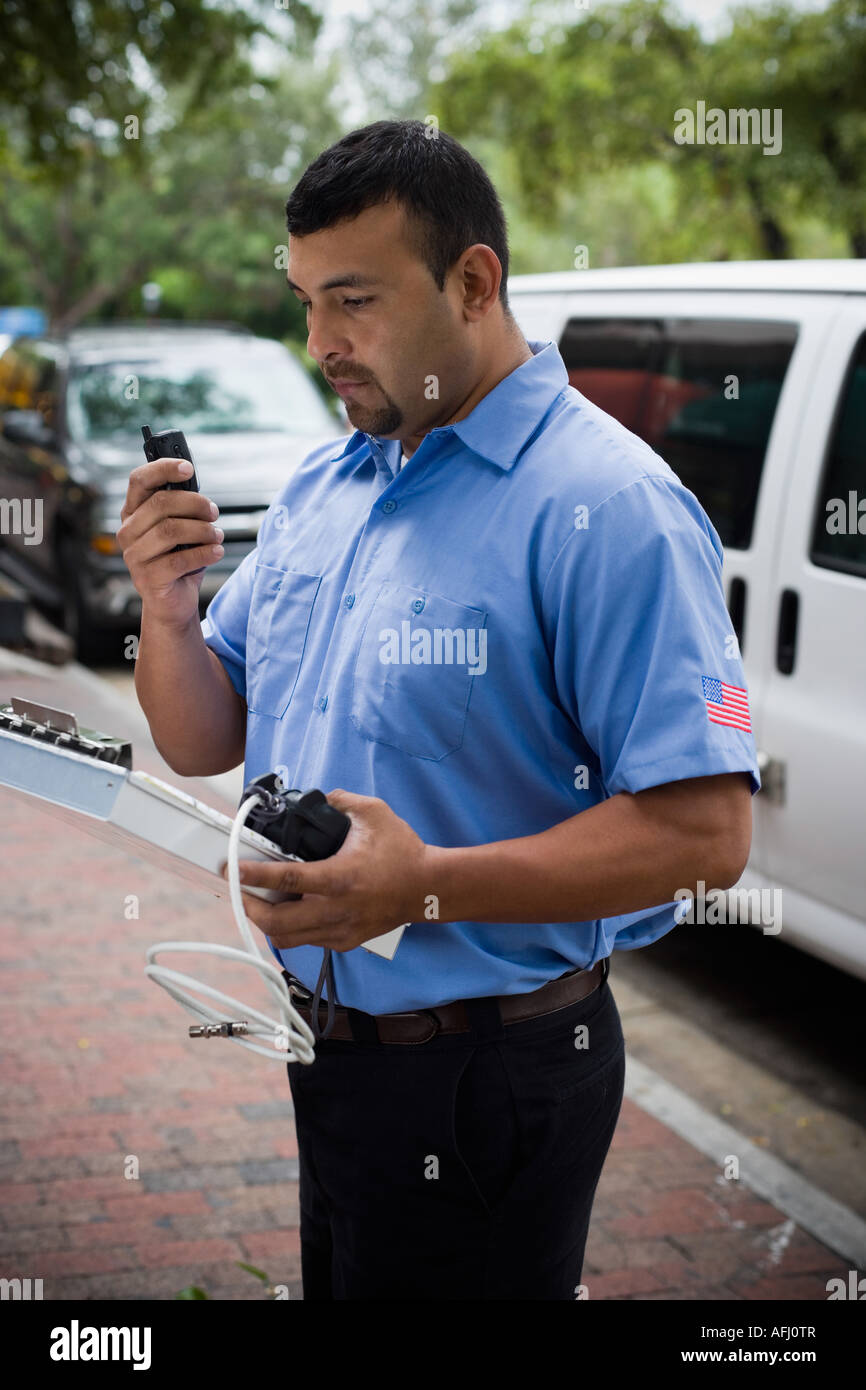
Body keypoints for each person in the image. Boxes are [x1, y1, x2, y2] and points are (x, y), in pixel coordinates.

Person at [120, 119, 760, 1301]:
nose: (319, 343)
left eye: (352, 302)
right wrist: (166, 608)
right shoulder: (329, 481)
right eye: (306, 302)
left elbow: (707, 834)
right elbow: (204, 733)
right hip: (328, 1049)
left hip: (493, 1072)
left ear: (473, 283)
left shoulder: (610, 504)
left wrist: (421, 885)